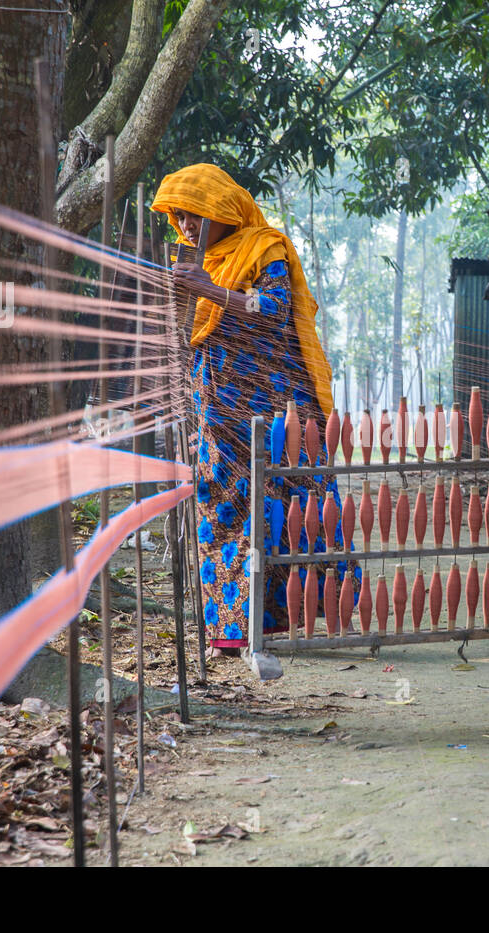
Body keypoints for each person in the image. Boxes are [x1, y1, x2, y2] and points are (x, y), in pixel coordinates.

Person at [151, 164, 344, 658]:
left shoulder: (263, 248)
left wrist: (208, 288)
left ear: (220, 210)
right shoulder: (199, 263)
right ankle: (232, 632)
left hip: (274, 409)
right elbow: (189, 336)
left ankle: (290, 620)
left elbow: (273, 310)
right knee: (222, 512)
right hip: (217, 409)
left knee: (287, 510)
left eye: (192, 215)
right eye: (177, 217)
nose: (185, 226)